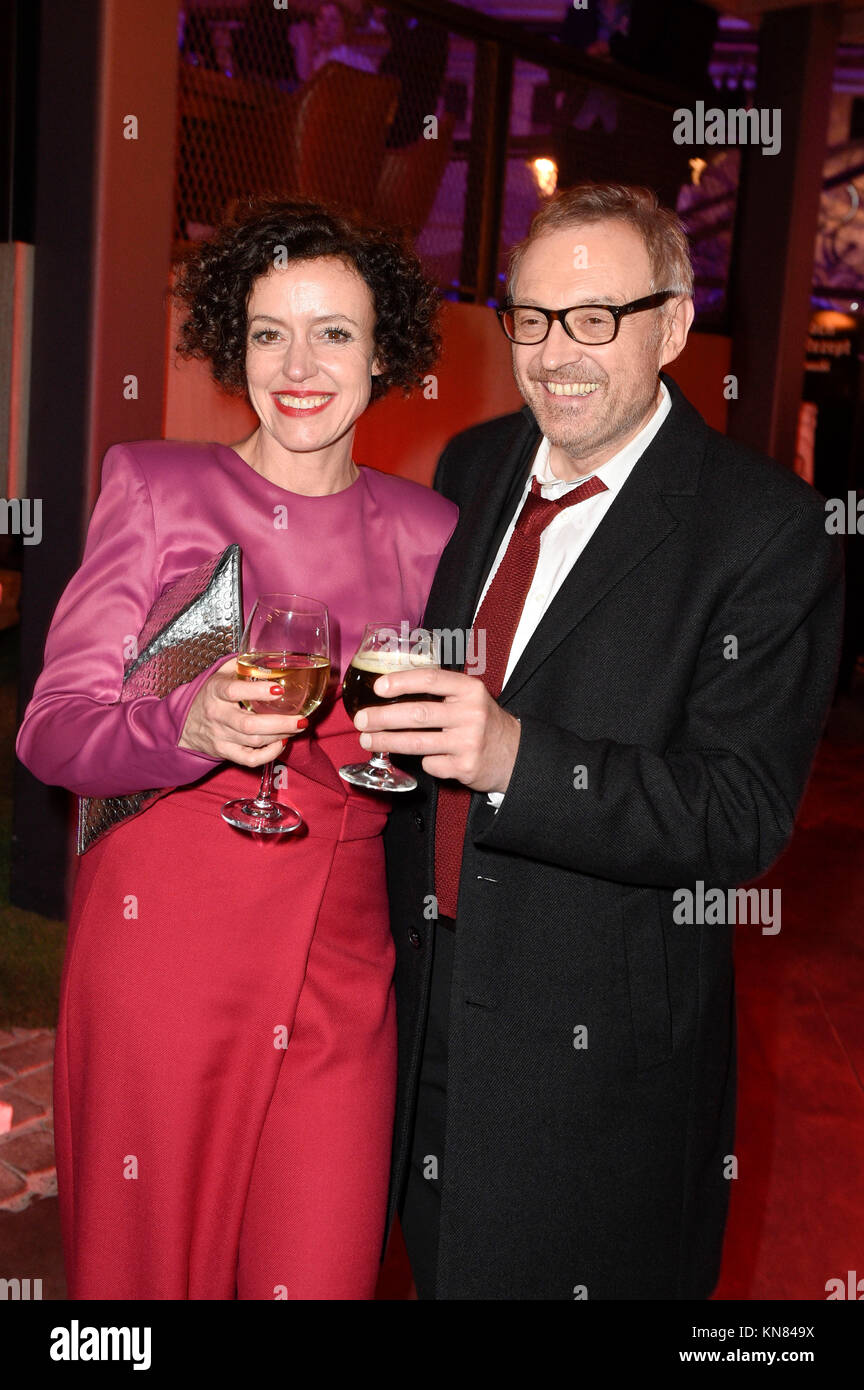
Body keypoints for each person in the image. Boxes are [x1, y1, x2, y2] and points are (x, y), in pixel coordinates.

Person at [355, 182, 845, 1299]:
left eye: (593, 319)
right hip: (430, 1024)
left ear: (671, 327)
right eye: (530, 318)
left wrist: (513, 760)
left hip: (599, 1078)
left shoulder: (765, 529)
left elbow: (739, 815)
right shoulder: (475, 465)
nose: (553, 353)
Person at [16, 198, 457, 1300]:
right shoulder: (162, 490)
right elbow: (53, 730)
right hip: (165, 945)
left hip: (347, 970)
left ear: (384, 352)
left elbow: (429, 747)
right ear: (233, 345)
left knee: (323, 1269)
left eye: (335, 333)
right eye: (269, 332)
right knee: (146, 1277)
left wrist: (400, 759)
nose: (298, 365)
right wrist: (186, 723)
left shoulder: (433, 532)